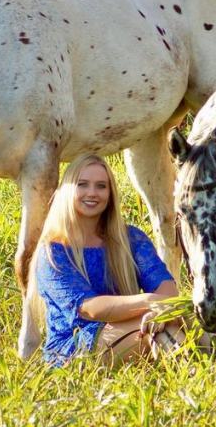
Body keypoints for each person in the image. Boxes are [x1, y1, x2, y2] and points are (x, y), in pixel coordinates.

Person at [28, 153, 184, 366]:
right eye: (82, 184)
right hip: (75, 345)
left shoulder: (130, 238)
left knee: (175, 322)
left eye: (101, 186)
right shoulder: (54, 251)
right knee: (163, 329)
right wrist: (150, 304)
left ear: (110, 194)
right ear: (66, 191)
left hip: (132, 325)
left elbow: (166, 286)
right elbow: (89, 308)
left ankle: (196, 376)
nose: (92, 193)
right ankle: (197, 378)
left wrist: (162, 310)